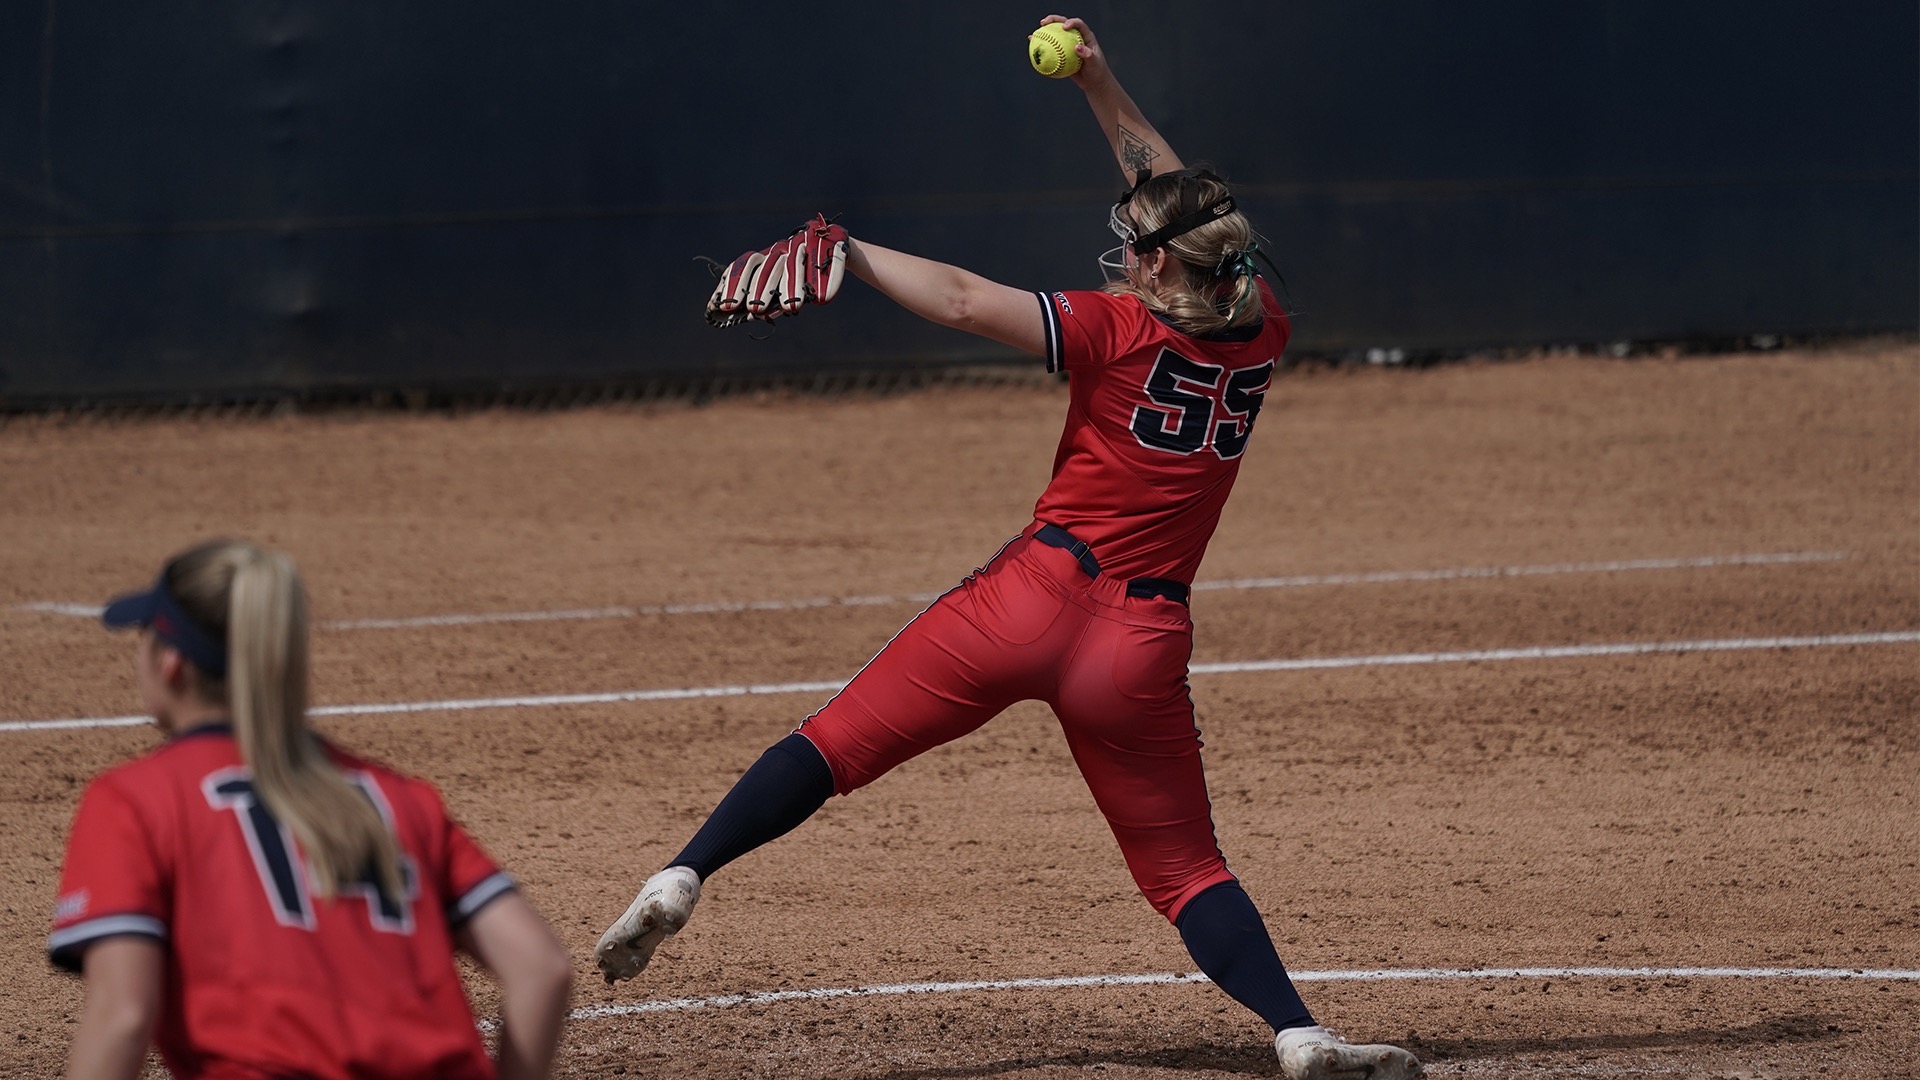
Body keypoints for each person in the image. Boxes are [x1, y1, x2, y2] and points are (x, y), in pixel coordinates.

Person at [597, 15, 1421, 1080]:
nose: (1122, 253)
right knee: (1182, 867)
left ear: (1157, 264)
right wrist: (1099, 78)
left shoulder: (1111, 328)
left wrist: (845, 250)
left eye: (1135, 248)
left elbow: (959, 298)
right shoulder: (1265, 326)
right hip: (1142, 640)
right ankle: (1300, 1035)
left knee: (834, 745)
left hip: (1027, 599)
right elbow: (1190, 206)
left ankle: (684, 874)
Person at [48, 539, 573, 1080]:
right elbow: (541, 968)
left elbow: (123, 1017)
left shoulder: (134, 801)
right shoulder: (395, 797)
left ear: (171, 661)